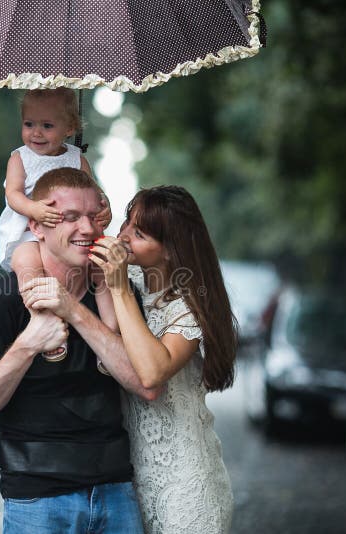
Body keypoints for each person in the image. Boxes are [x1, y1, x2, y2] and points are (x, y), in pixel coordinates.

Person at [0, 167, 158, 533]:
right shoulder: (2, 299)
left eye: (91, 216)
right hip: (37, 499)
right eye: (69, 217)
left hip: (116, 491)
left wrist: (73, 311)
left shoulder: (119, 292)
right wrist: (28, 344)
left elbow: (146, 385)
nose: (86, 229)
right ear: (37, 227)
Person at [88, 185, 238, 534]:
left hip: (186, 484)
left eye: (138, 233)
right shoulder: (131, 280)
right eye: (127, 222)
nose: (123, 236)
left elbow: (152, 372)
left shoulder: (188, 305)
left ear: (170, 250)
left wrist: (119, 287)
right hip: (131, 480)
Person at [0, 88, 115, 358]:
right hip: (28, 232)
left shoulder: (77, 159)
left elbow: (93, 191)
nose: (36, 133)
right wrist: (33, 209)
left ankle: (110, 331)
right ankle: (43, 320)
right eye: (29, 124)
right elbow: (13, 194)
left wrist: (103, 206)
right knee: (28, 266)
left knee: (102, 267)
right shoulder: (20, 158)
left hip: (69, 236)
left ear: (70, 127)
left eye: (47, 126)